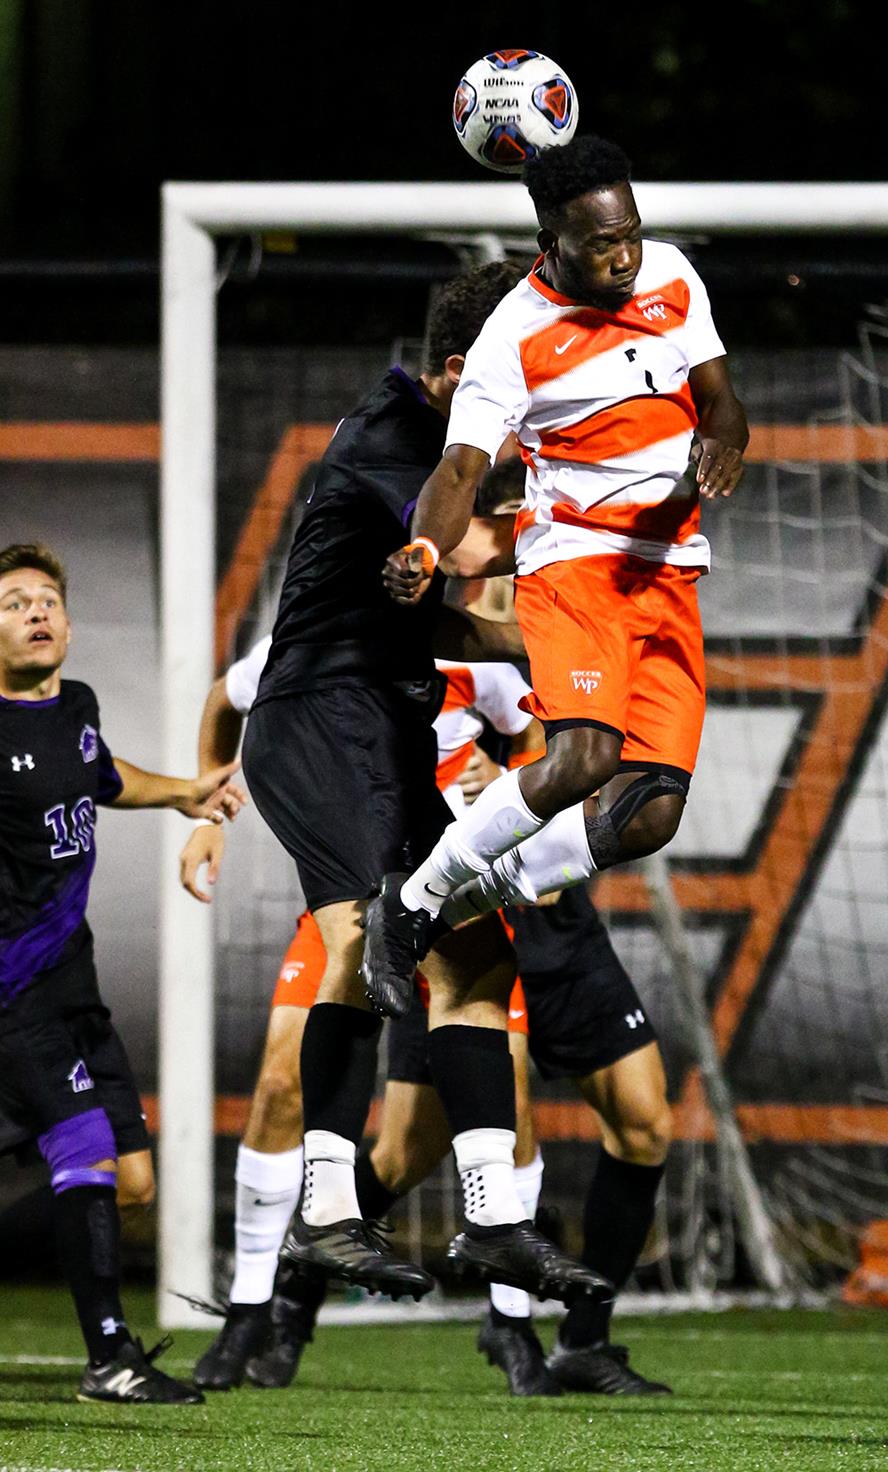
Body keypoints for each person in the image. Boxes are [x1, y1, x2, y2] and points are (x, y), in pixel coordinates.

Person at [237, 262, 608, 1311]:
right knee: (370, 936)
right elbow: (445, 542)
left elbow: (422, 610)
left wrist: (519, 640)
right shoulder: (392, 438)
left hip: (377, 721)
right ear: (457, 368)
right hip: (321, 717)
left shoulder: (435, 439)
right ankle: (323, 1211)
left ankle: (491, 1221)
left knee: (475, 955)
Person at [367, 133, 748, 1018]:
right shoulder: (513, 337)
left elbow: (721, 397)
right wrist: (426, 550)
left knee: (650, 812)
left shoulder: (672, 276)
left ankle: (448, 901)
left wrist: (727, 437)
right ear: (553, 240)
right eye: (602, 244)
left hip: (668, 571)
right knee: (586, 758)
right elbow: (460, 470)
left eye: (631, 234)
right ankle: (416, 899)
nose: (625, 257)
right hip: (575, 563)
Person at [179, 634, 541, 1391]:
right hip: (351, 900)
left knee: (426, 1144)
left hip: (453, 904)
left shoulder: (473, 655)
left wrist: (507, 778)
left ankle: (510, 1324)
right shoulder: (308, 638)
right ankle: (254, 1312)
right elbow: (224, 698)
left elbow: (537, 732)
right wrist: (209, 812)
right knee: (279, 1087)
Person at [0, 542, 245, 1405]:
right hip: (13, 991)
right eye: (14, 603)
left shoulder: (78, 707)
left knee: (131, 1185)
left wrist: (183, 791)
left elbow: (104, 775)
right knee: (86, 1154)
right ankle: (110, 1357)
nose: (36, 611)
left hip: (76, 984)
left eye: (47, 600)